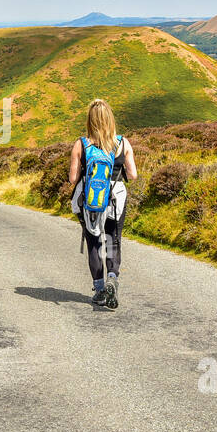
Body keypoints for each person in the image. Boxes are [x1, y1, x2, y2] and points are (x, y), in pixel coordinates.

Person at [68, 98, 137, 308]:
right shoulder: (123, 143)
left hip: (90, 202)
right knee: (113, 240)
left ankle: (99, 290)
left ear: (90, 121)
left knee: (94, 243)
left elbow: (72, 179)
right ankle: (113, 278)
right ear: (110, 119)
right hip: (116, 199)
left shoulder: (81, 144)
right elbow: (133, 175)